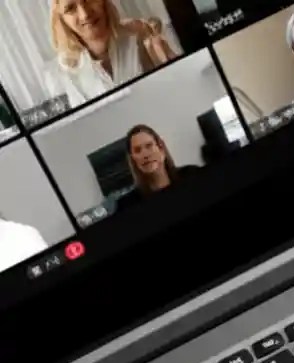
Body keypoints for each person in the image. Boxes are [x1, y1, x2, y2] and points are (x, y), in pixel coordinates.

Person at [45, 0, 181, 109]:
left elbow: (178, 87)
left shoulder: (139, 34)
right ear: (61, 19)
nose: (85, 14)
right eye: (70, 8)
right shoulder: (59, 74)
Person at [112, 124, 199, 213]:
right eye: (137, 150)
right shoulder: (127, 205)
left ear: (161, 149)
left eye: (149, 146)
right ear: (133, 160)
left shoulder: (193, 175)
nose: (145, 155)